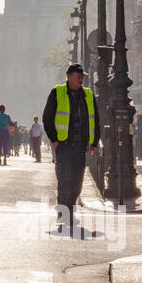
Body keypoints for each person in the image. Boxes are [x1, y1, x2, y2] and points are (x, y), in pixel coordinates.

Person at [42, 63, 99, 236]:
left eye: (82, 76)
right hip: (64, 145)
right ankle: (63, 213)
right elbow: (47, 117)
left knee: (77, 180)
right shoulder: (57, 92)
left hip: (81, 145)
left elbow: (95, 119)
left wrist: (94, 142)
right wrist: (54, 140)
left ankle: (70, 208)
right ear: (68, 77)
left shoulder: (88, 94)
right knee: (64, 179)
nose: (81, 78)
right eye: (77, 75)